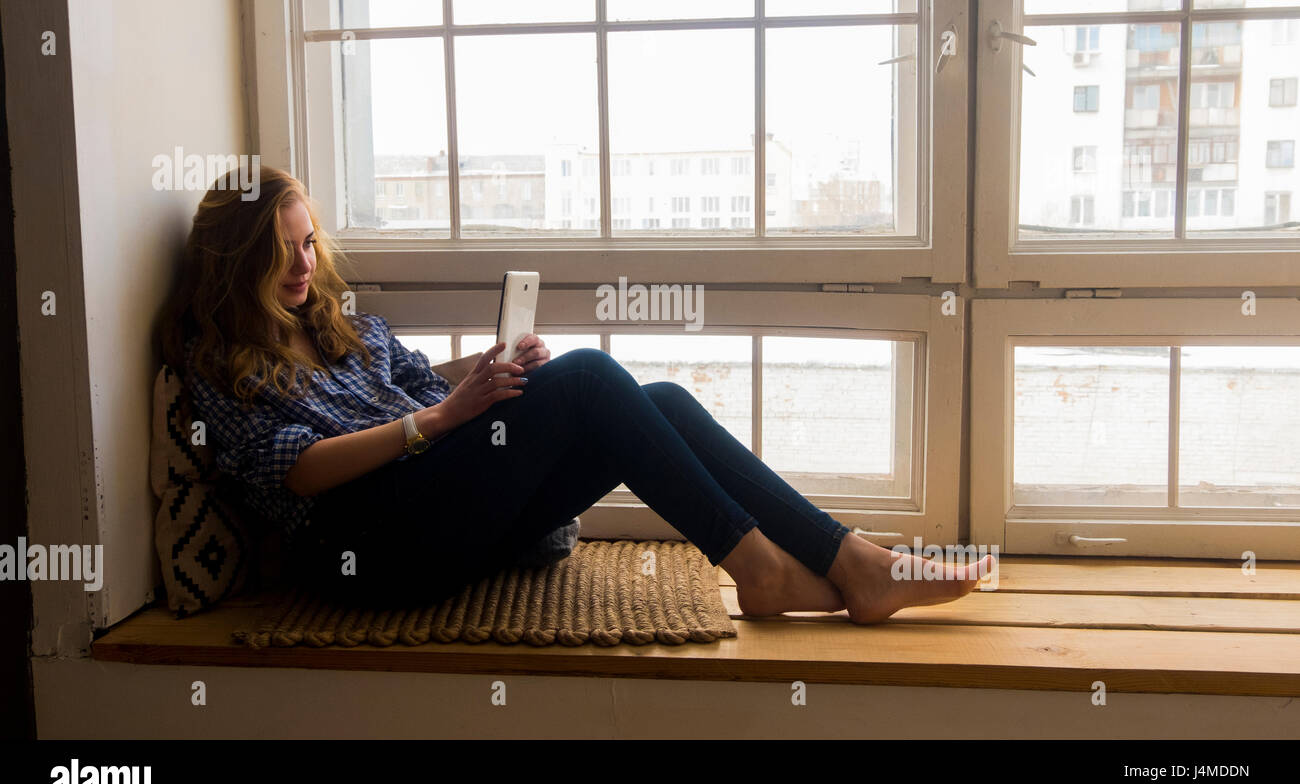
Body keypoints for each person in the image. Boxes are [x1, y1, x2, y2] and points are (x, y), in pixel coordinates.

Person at [158, 165, 992, 622]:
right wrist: (444, 417)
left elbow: (417, 386)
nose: (306, 265)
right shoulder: (219, 363)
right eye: (283, 251)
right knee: (591, 377)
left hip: (439, 506)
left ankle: (842, 554)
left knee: (655, 397)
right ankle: (769, 569)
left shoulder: (338, 325)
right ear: (238, 262)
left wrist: (483, 371)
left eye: (309, 243)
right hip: (371, 549)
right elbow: (296, 471)